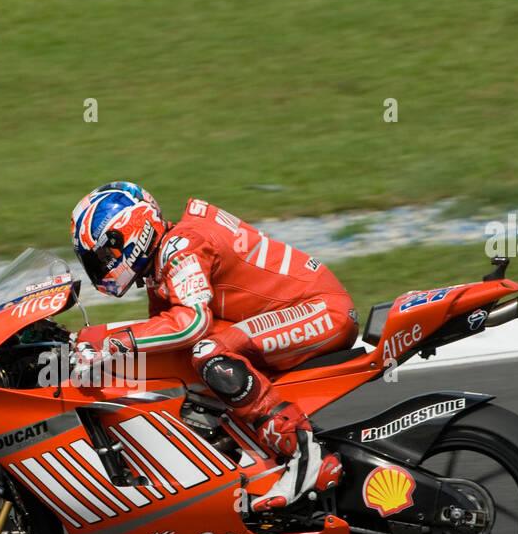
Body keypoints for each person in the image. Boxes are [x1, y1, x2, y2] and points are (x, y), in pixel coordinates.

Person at [70, 181, 357, 512]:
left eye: (106, 255)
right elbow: (165, 334)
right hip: (288, 313)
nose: (103, 266)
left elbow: (191, 322)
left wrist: (115, 343)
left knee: (208, 352)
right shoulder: (160, 266)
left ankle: (305, 455)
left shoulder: (183, 246)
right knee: (184, 357)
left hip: (320, 310)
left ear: (131, 233)